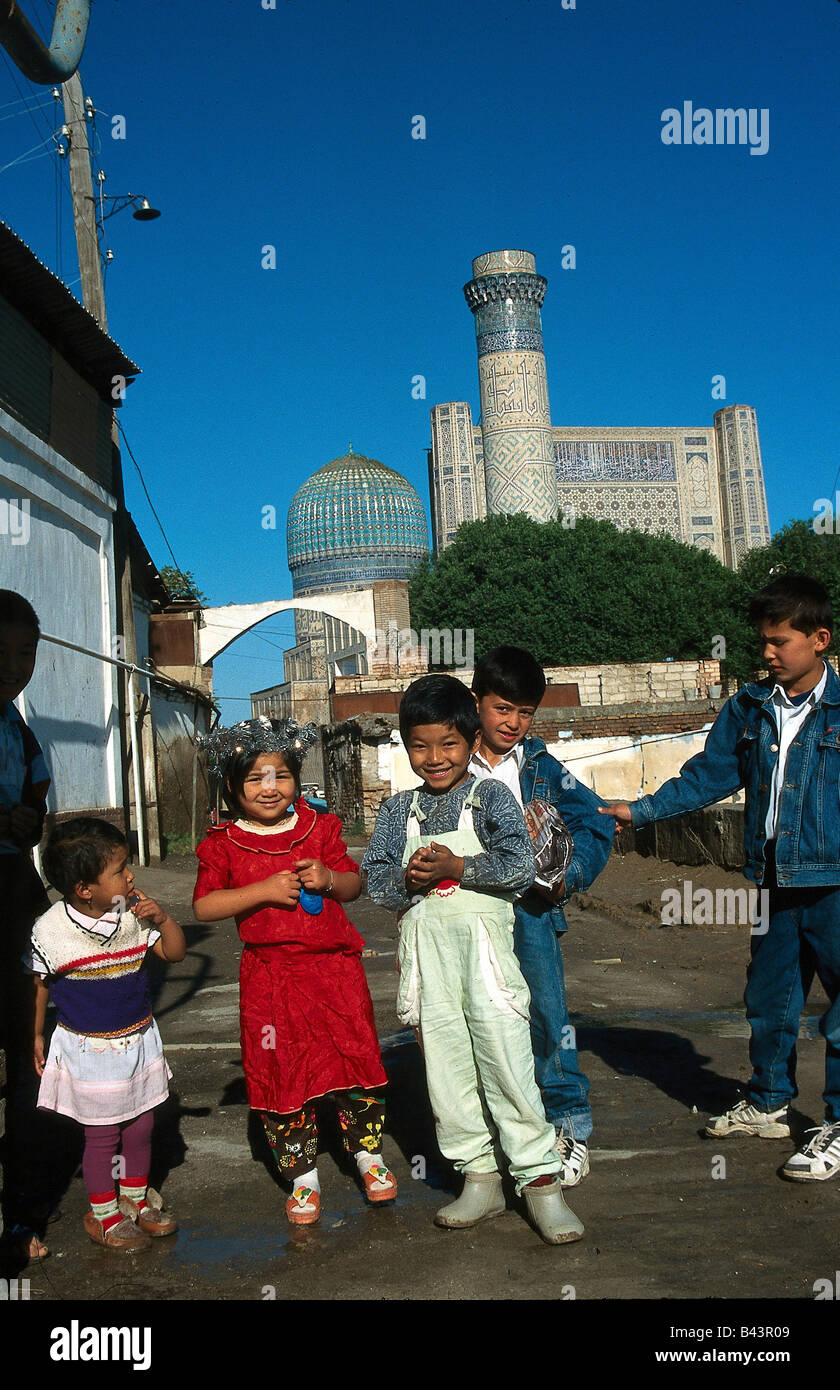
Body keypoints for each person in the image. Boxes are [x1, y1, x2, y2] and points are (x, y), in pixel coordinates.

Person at [600, 574, 840, 1181]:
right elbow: (709, 775)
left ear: (819, 639)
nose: (766, 652)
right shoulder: (750, 708)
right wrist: (642, 808)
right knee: (770, 999)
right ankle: (767, 1103)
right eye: (762, 640)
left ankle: (837, 1126)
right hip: (774, 880)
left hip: (836, 883)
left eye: (779, 641)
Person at [363, 674, 583, 1244]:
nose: (434, 758)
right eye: (420, 745)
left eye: (449, 744)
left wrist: (456, 869)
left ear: (470, 738)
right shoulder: (397, 811)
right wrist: (411, 879)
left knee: (509, 1066)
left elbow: (518, 869)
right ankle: (478, 1179)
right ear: (404, 745)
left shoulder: (491, 798)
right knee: (448, 1076)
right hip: (429, 965)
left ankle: (541, 1185)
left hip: (487, 962)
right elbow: (378, 883)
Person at [193, 717, 396, 1225]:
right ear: (232, 787)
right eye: (255, 778)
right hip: (271, 977)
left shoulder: (320, 827)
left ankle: (367, 1155)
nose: (269, 788)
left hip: (334, 971)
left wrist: (329, 879)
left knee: (354, 1056)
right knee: (281, 1065)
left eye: (280, 775)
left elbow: (354, 886)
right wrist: (261, 891)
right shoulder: (222, 844)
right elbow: (204, 906)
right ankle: (302, 1176)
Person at [470, 648, 615, 1186]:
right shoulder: (451, 759)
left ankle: (569, 1126)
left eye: (526, 712)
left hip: (530, 914)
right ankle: (494, 1135)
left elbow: (597, 819)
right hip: (470, 912)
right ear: (476, 702)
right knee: (479, 1022)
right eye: (503, 708)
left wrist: (565, 876)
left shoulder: (540, 767)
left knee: (548, 1020)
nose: (513, 723)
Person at [29, 818, 185, 1250]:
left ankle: (134, 1200)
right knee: (102, 1134)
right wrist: (37, 1035)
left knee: (141, 1123)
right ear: (84, 889)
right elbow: (40, 984)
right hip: (89, 1051)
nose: (130, 876)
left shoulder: (133, 914)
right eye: (119, 869)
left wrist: (165, 919)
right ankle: (104, 1215)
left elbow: (174, 953)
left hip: (137, 1040)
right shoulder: (51, 931)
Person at [0, 590, 51, 1260]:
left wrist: (28, 822)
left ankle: (21, 1214)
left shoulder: (20, 731)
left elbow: (37, 796)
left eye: (24, 653)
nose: (13, 664)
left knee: (27, 1044)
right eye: (1, 651)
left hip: (14, 893)